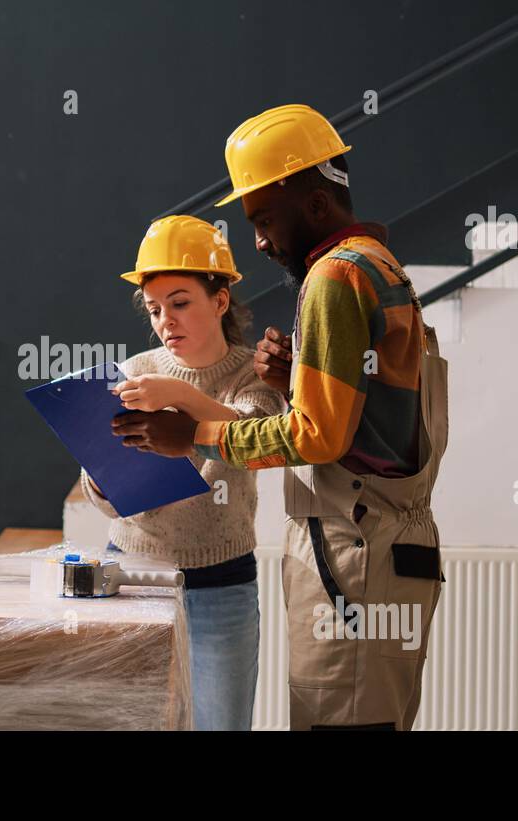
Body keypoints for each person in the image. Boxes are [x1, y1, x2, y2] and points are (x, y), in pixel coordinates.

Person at [113, 104, 449, 730]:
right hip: (387, 547)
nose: (262, 241)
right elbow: (375, 407)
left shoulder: (334, 277)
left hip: (356, 552)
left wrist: (193, 433)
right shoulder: (381, 265)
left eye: (265, 220)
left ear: (316, 203)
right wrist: (297, 375)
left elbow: (317, 436)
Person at [79, 214, 284, 731]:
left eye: (180, 302)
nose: (165, 320)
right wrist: (100, 479)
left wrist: (182, 398)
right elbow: (100, 489)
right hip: (133, 576)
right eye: (154, 309)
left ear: (219, 300)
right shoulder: (135, 371)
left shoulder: (250, 376)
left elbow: (254, 434)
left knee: (222, 725)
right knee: (135, 722)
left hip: (221, 585)